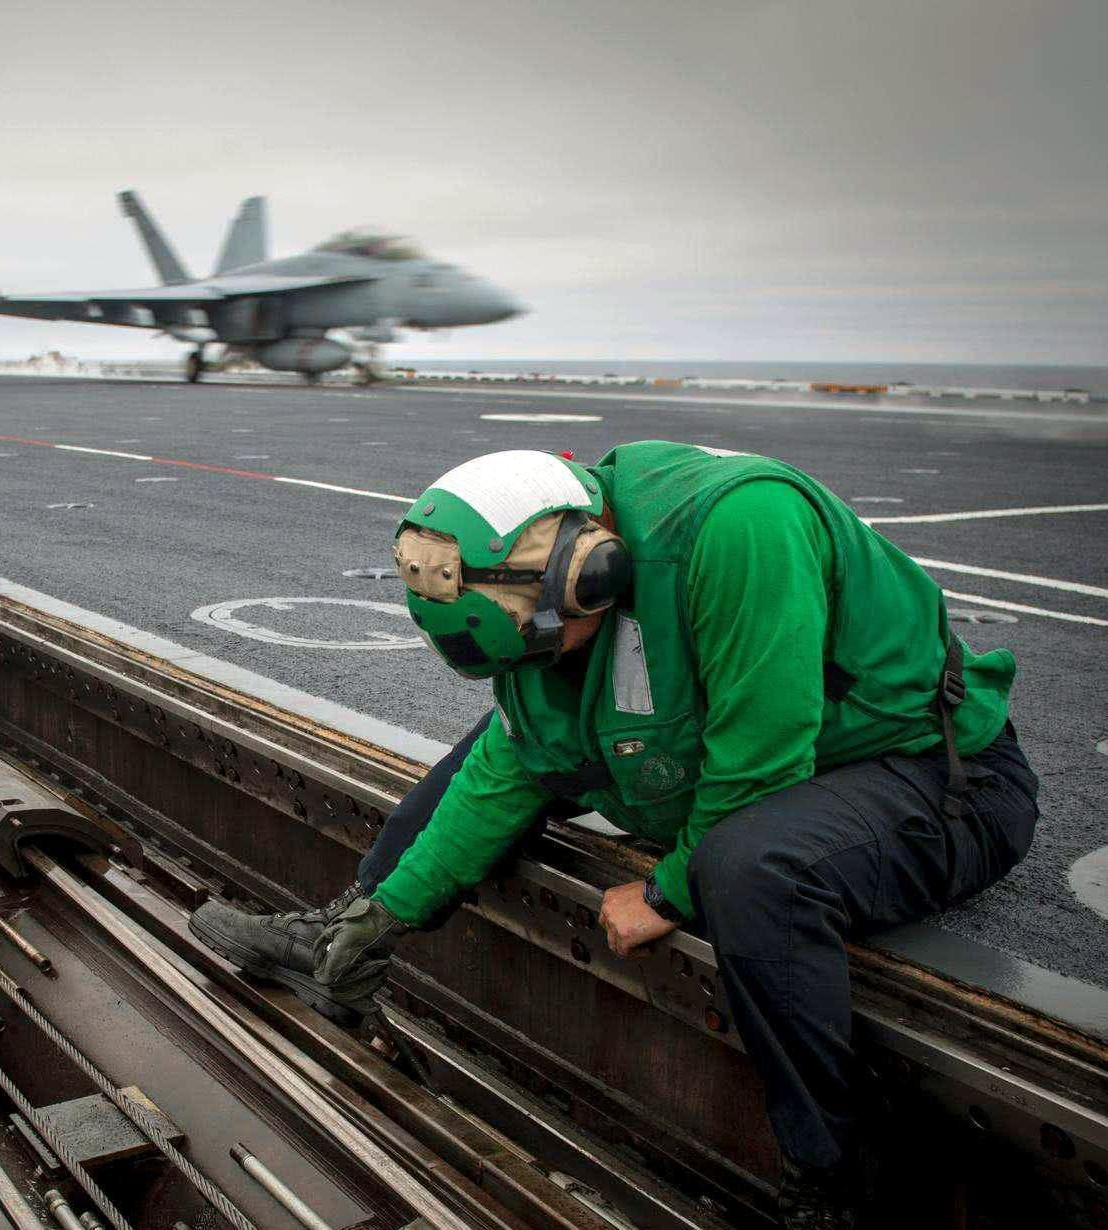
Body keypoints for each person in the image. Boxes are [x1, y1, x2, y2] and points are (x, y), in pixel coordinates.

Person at [191, 443, 1036, 1229]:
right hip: (756, 754)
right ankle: (338, 934)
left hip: (931, 775)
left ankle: (830, 1180)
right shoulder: (548, 581)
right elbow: (511, 767)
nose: (536, 661)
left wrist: (668, 891)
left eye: (538, 638)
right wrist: (389, 917)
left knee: (750, 868)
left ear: (592, 574)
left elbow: (762, 762)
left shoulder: (743, 526)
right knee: (491, 753)